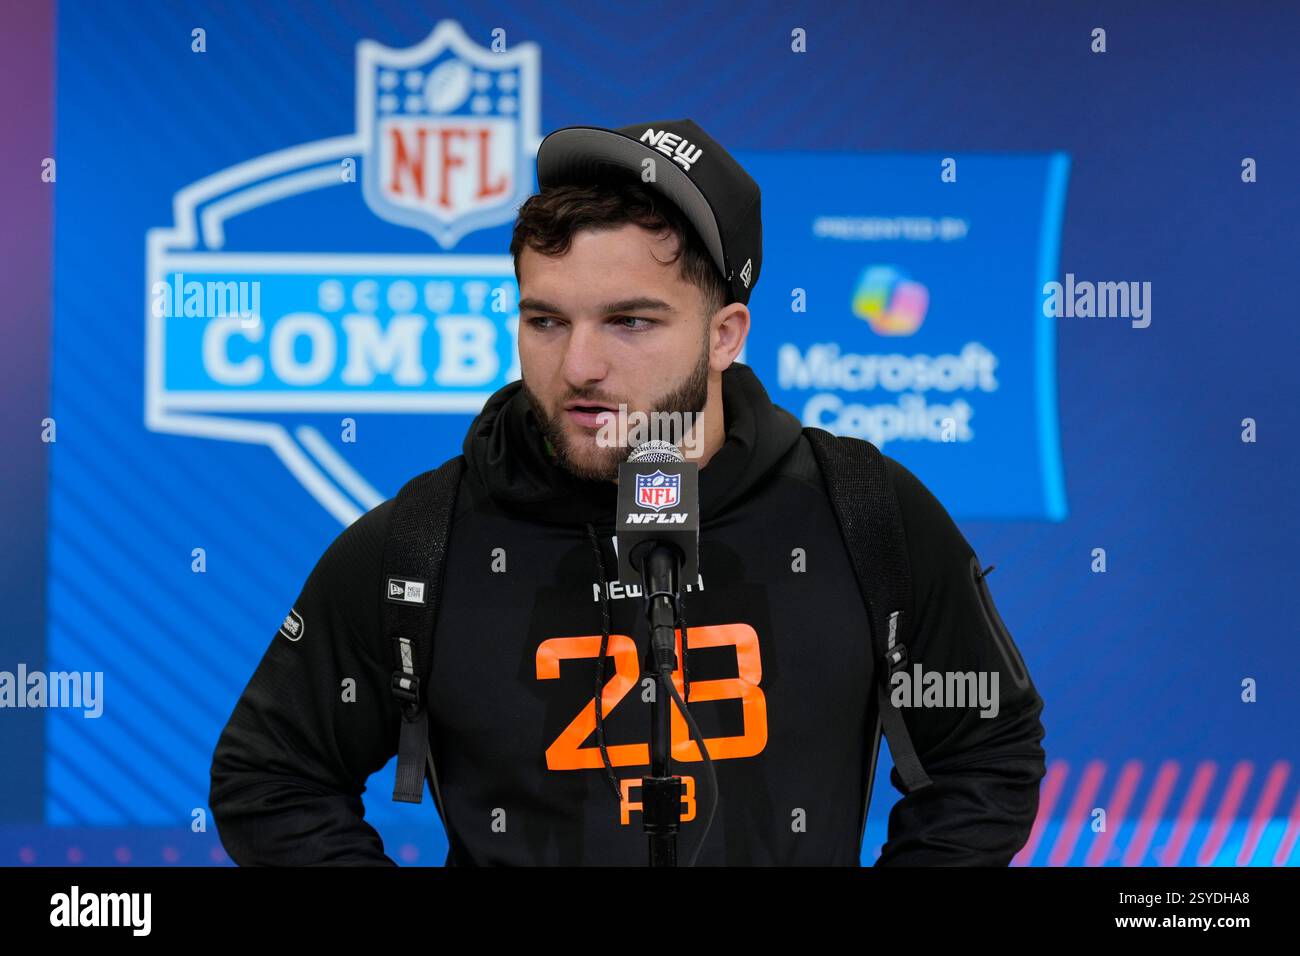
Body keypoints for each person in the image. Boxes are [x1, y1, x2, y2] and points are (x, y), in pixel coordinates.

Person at [209, 118, 1047, 866]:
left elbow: (988, 747)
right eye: (546, 321)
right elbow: (271, 777)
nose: (579, 367)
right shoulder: (420, 543)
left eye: (630, 322)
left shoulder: (865, 512)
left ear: (725, 335)